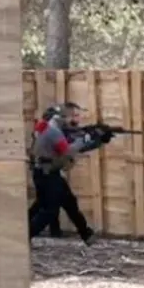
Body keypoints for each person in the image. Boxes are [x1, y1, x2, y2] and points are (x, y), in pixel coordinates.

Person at [26, 102, 108, 244]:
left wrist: (97, 141)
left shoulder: (50, 129)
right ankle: (24, 236)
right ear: (61, 117)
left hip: (48, 173)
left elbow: (75, 147)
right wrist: (86, 138)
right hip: (47, 175)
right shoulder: (54, 132)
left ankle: (86, 235)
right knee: (49, 210)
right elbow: (68, 151)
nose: (76, 120)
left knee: (69, 203)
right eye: (73, 116)